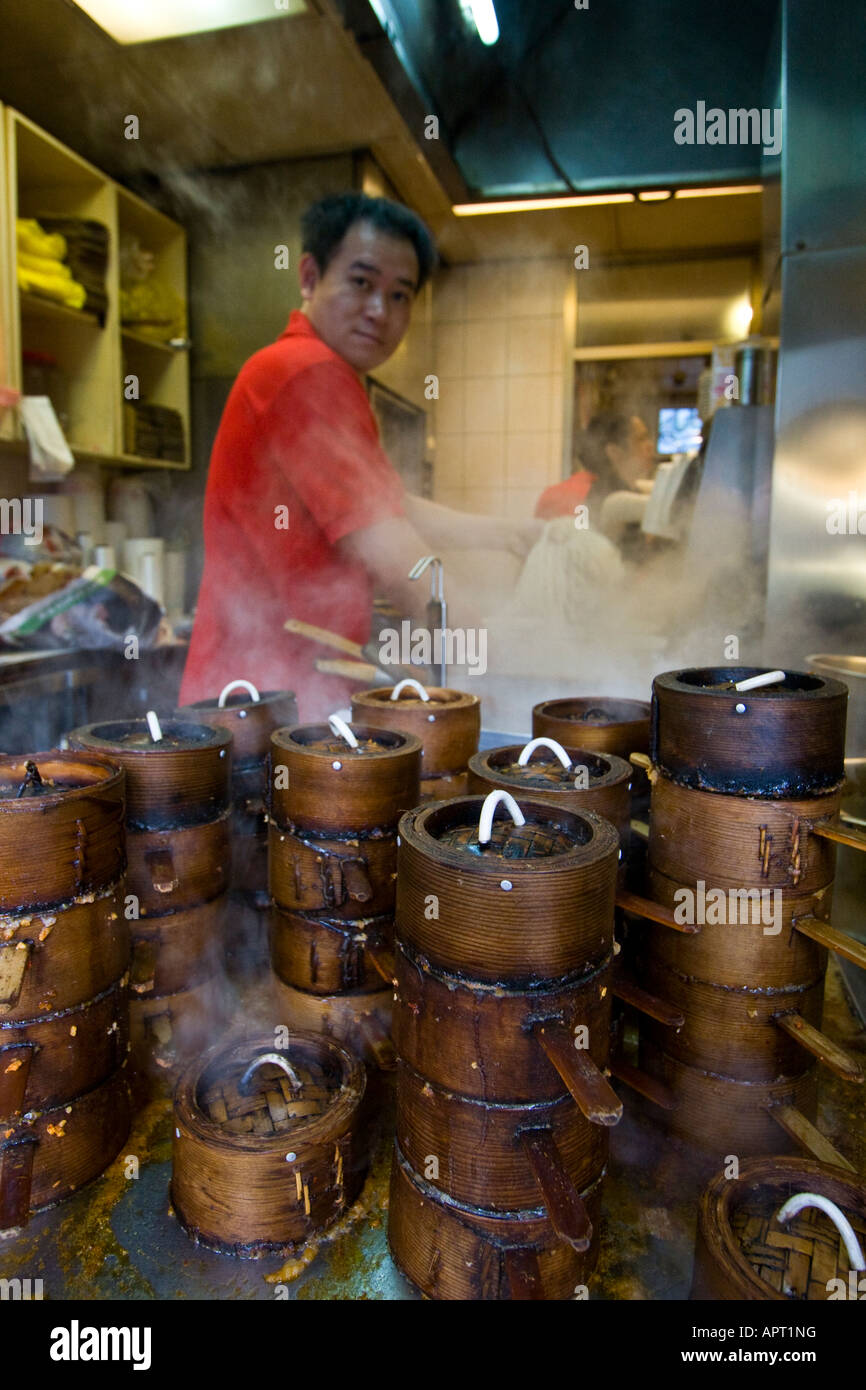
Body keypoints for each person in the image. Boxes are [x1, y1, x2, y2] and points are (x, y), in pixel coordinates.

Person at [180, 193, 538, 717]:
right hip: (265, 708)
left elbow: (389, 508)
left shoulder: (304, 369)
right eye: (362, 283)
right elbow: (394, 552)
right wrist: (496, 656)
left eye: (400, 296)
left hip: (263, 697)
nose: (380, 311)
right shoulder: (308, 372)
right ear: (308, 276)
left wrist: (512, 535)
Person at [534, 412, 655, 521]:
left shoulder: (629, 491)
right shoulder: (588, 497)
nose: (650, 446)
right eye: (641, 439)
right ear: (614, 452)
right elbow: (583, 539)